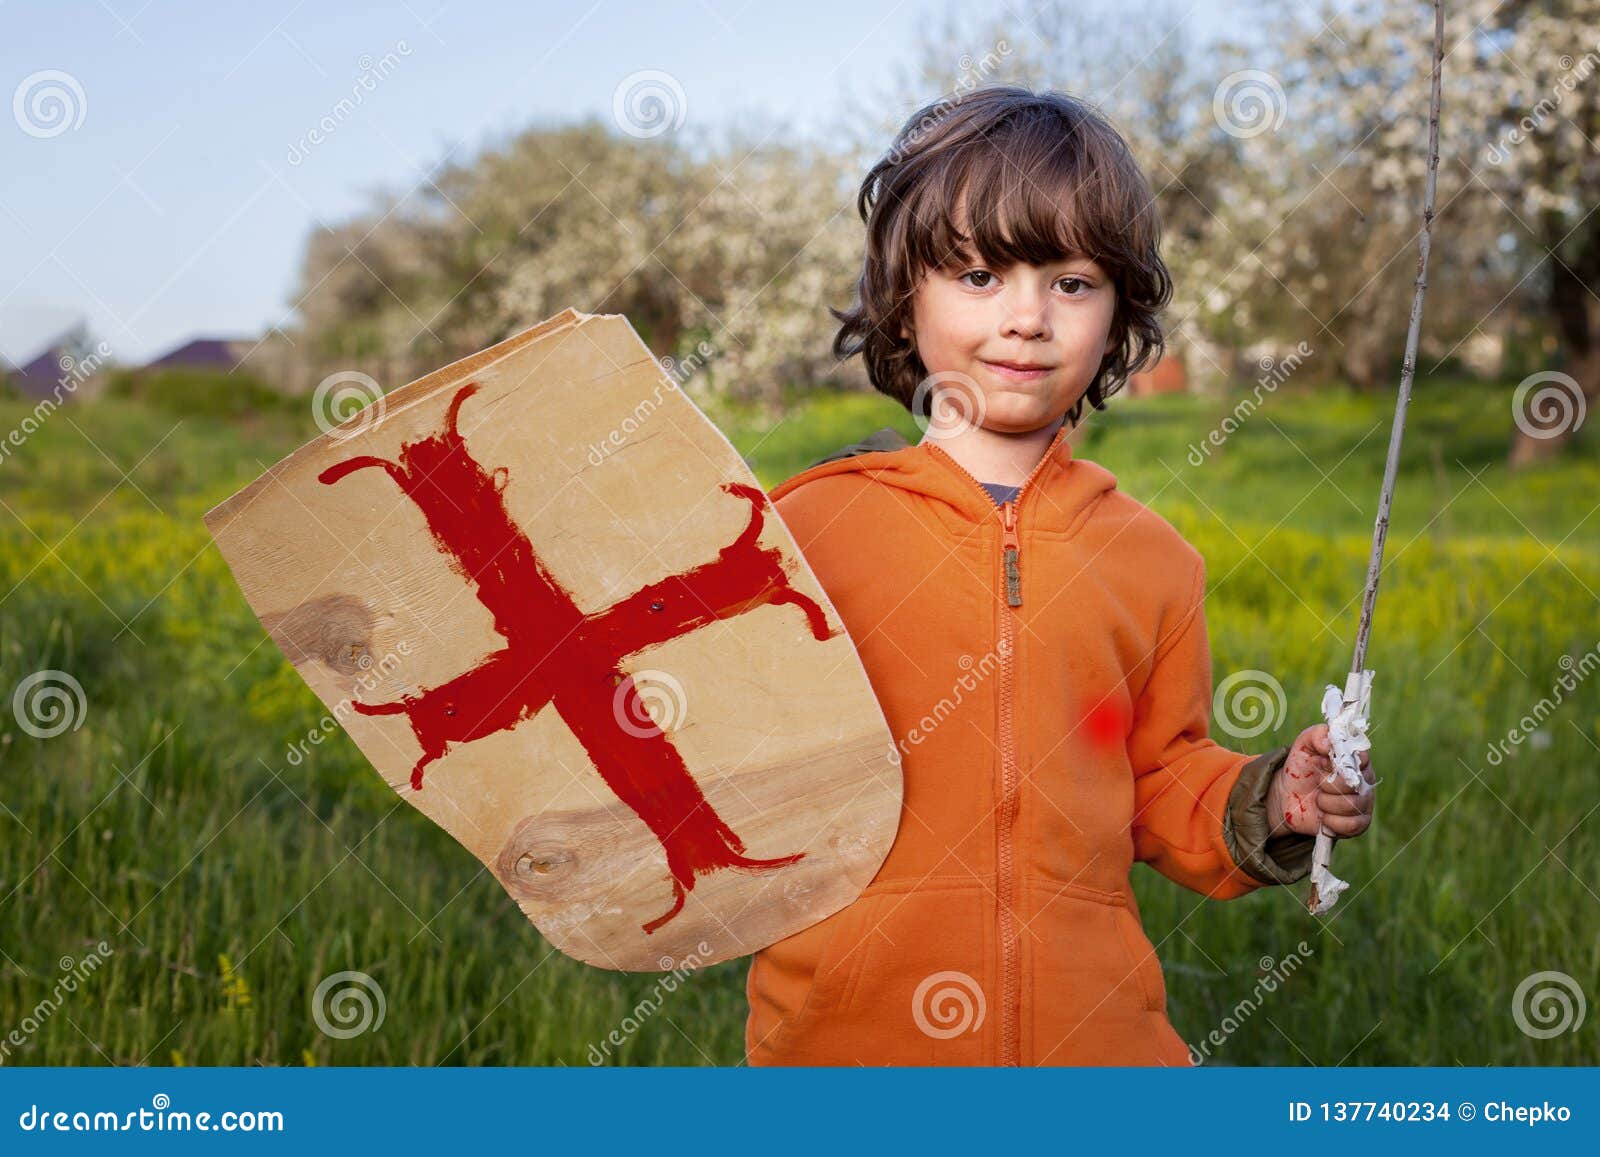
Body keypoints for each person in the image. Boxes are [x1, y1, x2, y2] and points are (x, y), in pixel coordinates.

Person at [744, 85, 1376, 1066]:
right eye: (979, 274)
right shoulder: (803, 535)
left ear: (1120, 308)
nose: (1028, 318)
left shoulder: (1153, 561)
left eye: (1072, 282)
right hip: (847, 1052)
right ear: (904, 293)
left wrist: (1275, 799)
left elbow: (1161, 778)